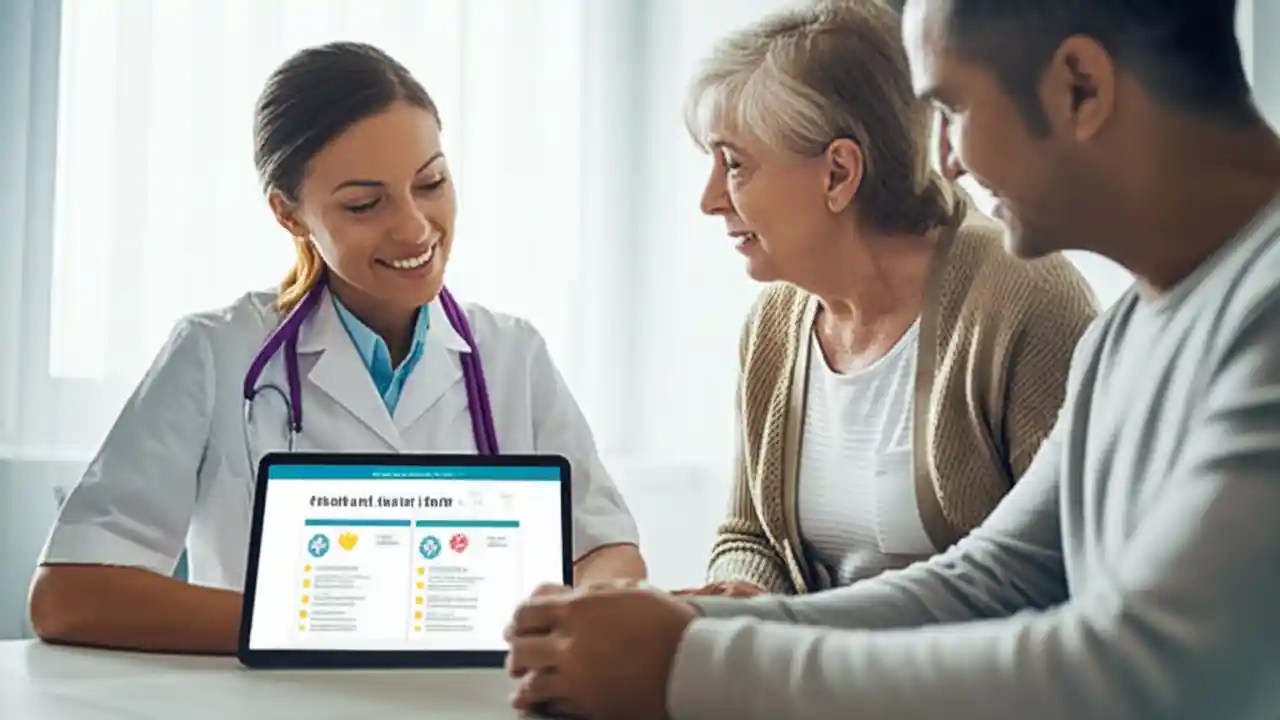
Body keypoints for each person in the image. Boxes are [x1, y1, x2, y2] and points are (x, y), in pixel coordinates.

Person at [504, 0, 1280, 717]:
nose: (944, 161)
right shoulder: (1129, 333)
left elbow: (1151, 671)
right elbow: (995, 579)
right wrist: (688, 621)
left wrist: (691, 662)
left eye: (953, 109)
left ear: (1080, 87)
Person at [28, 41, 645, 655]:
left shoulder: (512, 354)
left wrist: (581, 616)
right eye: (363, 204)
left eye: (430, 182)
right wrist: (321, 625)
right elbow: (70, 595)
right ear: (289, 214)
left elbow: (605, 548)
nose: (414, 227)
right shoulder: (216, 353)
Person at [681, 0, 1096, 598]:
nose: (710, 199)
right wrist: (739, 596)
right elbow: (751, 537)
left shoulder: (1024, 299)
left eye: (735, 164)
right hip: (812, 679)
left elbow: (1064, 571)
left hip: (963, 687)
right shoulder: (775, 321)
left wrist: (801, 636)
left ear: (838, 174)